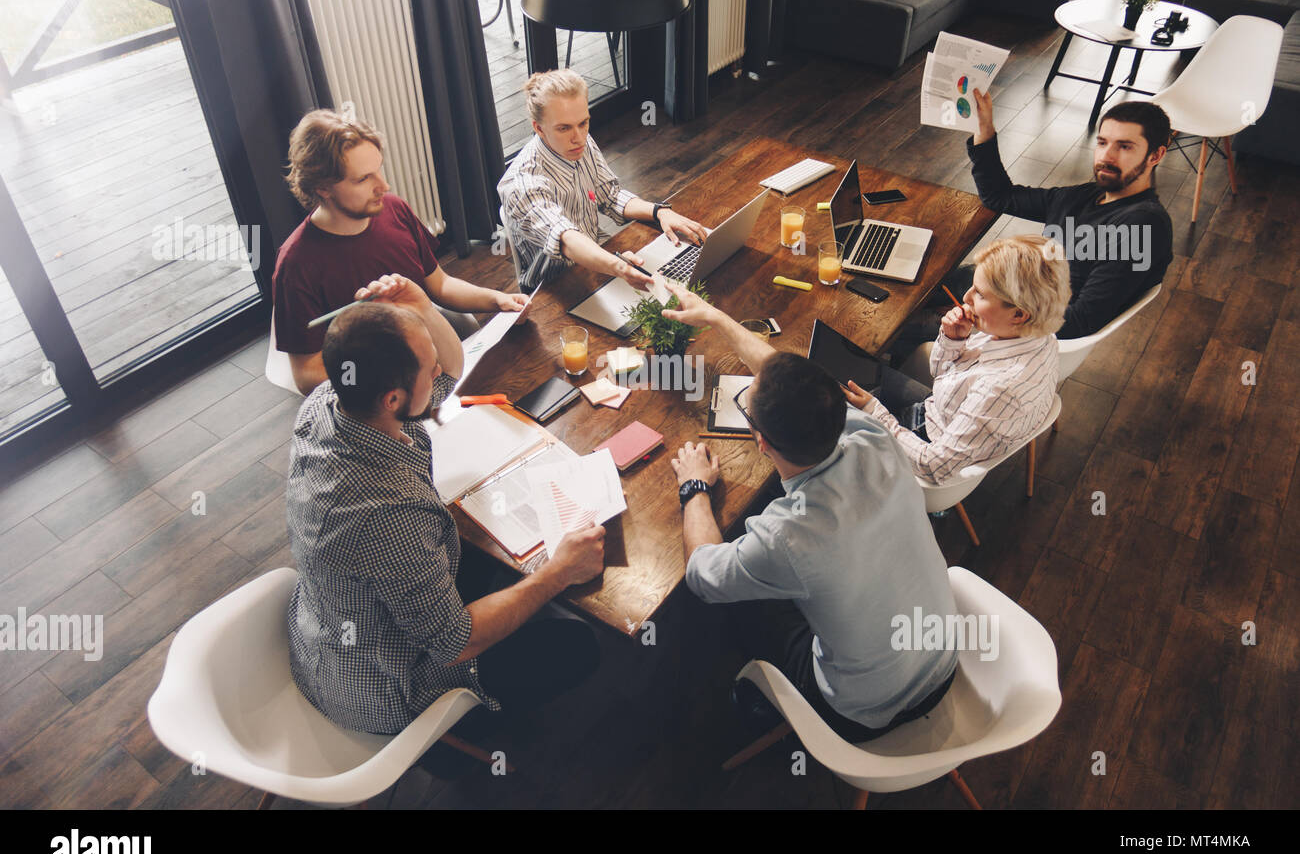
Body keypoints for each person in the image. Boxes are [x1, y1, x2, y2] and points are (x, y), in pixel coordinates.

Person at [286, 272, 601, 735]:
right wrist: (558, 572)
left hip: (329, 624)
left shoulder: (330, 401)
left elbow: (450, 381)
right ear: (393, 397)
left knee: (489, 563)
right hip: (387, 685)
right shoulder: (385, 514)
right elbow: (456, 642)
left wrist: (422, 308)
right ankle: (467, 738)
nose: (437, 372)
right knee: (580, 646)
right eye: (426, 367)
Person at [660, 286, 957, 742]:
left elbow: (702, 574)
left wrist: (694, 487)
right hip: (943, 665)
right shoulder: (874, 437)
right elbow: (792, 378)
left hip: (862, 713)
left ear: (760, 441)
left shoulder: (785, 536)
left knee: (742, 607)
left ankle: (764, 701)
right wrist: (717, 317)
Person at [273, 108, 530, 395]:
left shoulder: (393, 209)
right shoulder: (297, 264)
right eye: (363, 179)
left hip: (429, 366)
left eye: (379, 169)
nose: (384, 185)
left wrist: (497, 300)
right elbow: (307, 374)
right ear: (323, 188)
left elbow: (440, 284)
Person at [850, 235, 1070, 484]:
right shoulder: (1038, 335)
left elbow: (932, 466)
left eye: (981, 294)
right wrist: (953, 340)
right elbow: (941, 376)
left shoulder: (1000, 390)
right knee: (856, 367)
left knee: (834, 383)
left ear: (1019, 314)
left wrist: (875, 414)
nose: (966, 298)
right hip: (940, 413)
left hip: (923, 444)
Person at [964, 93, 1173, 339]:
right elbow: (1000, 196)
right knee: (924, 285)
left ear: (1155, 156)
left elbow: (1083, 319)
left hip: (1024, 329)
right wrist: (984, 128)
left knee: (911, 323)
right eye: (1103, 142)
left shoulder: (1143, 226)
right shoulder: (1083, 196)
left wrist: (993, 324)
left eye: (1125, 146)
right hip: (1012, 294)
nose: (1106, 156)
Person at [498, 68, 709, 292]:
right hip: (555, 287)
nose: (578, 138)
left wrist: (660, 212)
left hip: (601, 260)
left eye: (583, 123)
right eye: (564, 128)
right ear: (538, 128)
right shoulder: (523, 183)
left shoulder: (580, 141)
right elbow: (566, 239)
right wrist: (618, 266)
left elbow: (610, 195)